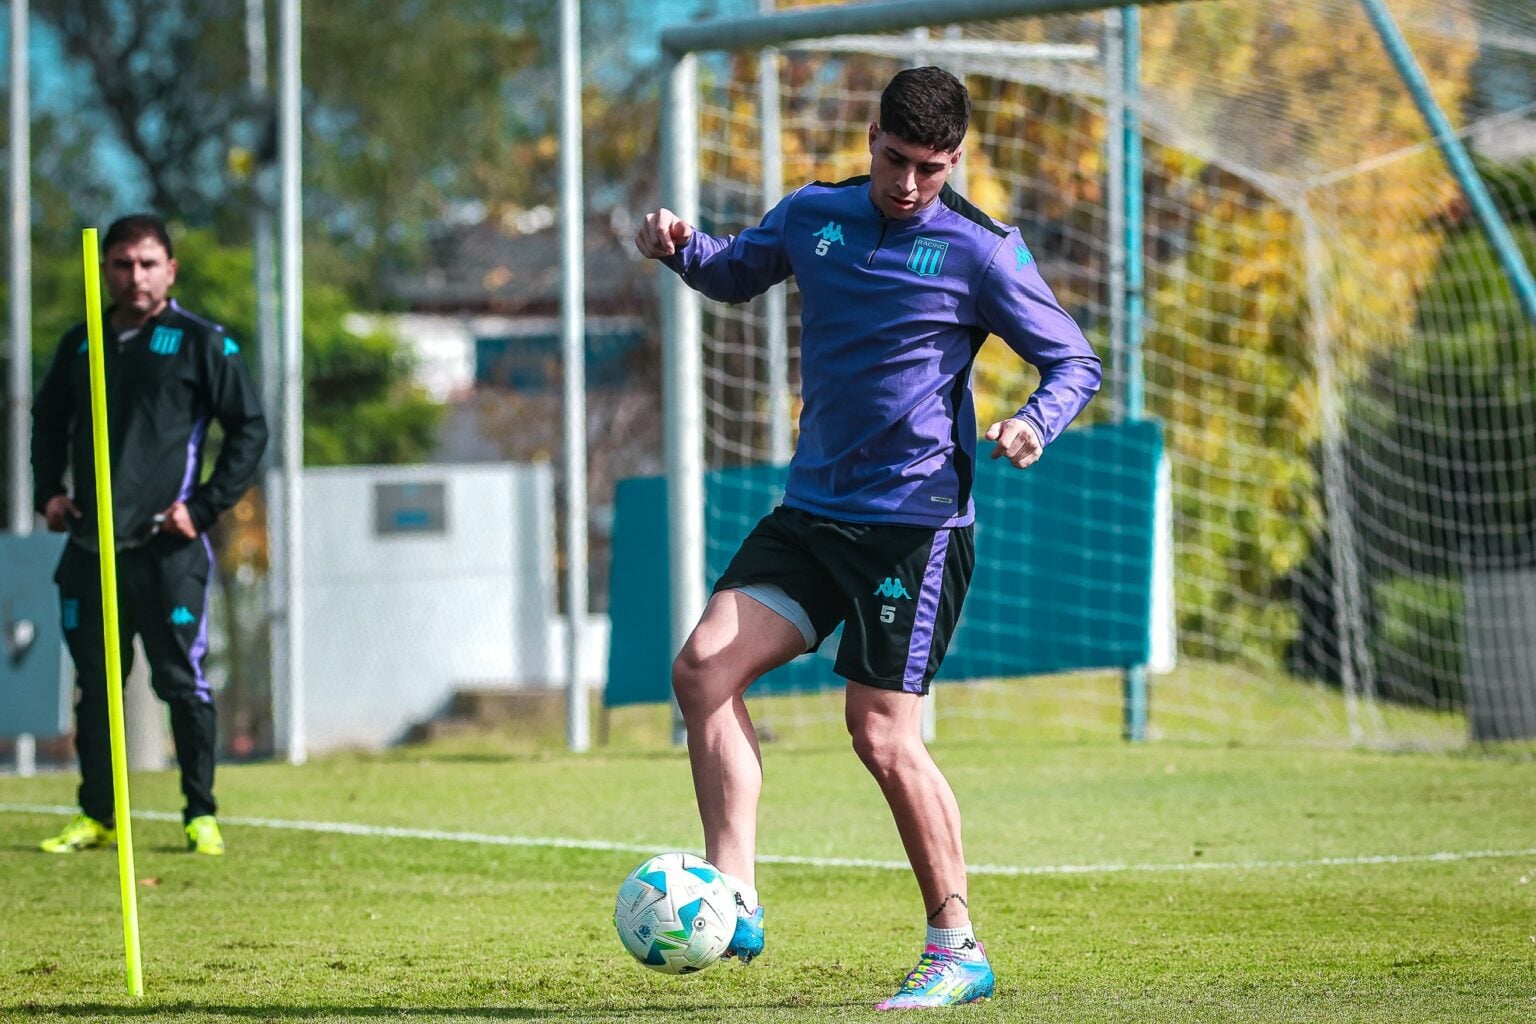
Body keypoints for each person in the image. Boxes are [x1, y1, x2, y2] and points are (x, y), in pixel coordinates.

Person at [635, 67, 1101, 1009]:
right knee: (702, 672)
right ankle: (733, 894)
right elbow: (734, 272)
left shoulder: (983, 251)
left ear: (955, 160)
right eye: (896, 159)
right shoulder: (815, 214)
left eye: (931, 168)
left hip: (914, 528)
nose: (908, 184)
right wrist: (682, 247)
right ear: (871, 139)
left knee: (880, 735)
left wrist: (1034, 423)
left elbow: (1073, 359)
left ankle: (957, 943)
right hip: (814, 510)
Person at [31, 213, 268, 857]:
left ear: (170, 269)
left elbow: (249, 430)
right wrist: (47, 491)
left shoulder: (202, 343)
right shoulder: (81, 344)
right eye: (121, 264)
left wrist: (205, 505)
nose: (134, 276)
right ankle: (98, 814)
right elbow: (46, 422)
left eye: (146, 263)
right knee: (96, 688)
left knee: (180, 682)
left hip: (168, 552)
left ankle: (200, 812)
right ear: (103, 269)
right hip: (89, 548)